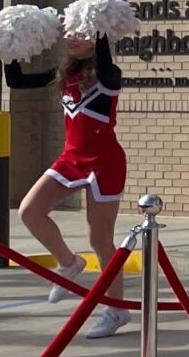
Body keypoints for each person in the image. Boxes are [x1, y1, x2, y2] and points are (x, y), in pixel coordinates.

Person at [10, 22, 130, 340]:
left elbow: (104, 60)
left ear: (97, 40)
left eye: (81, 33)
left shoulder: (109, 75)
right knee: (29, 211)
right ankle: (68, 262)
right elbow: (17, 81)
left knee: (100, 240)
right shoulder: (65, 73)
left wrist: (99, 23)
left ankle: (116, 309)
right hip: (71, 159)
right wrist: (10, 50)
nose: (71, 38)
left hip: (104, 162)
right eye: (71, 33)